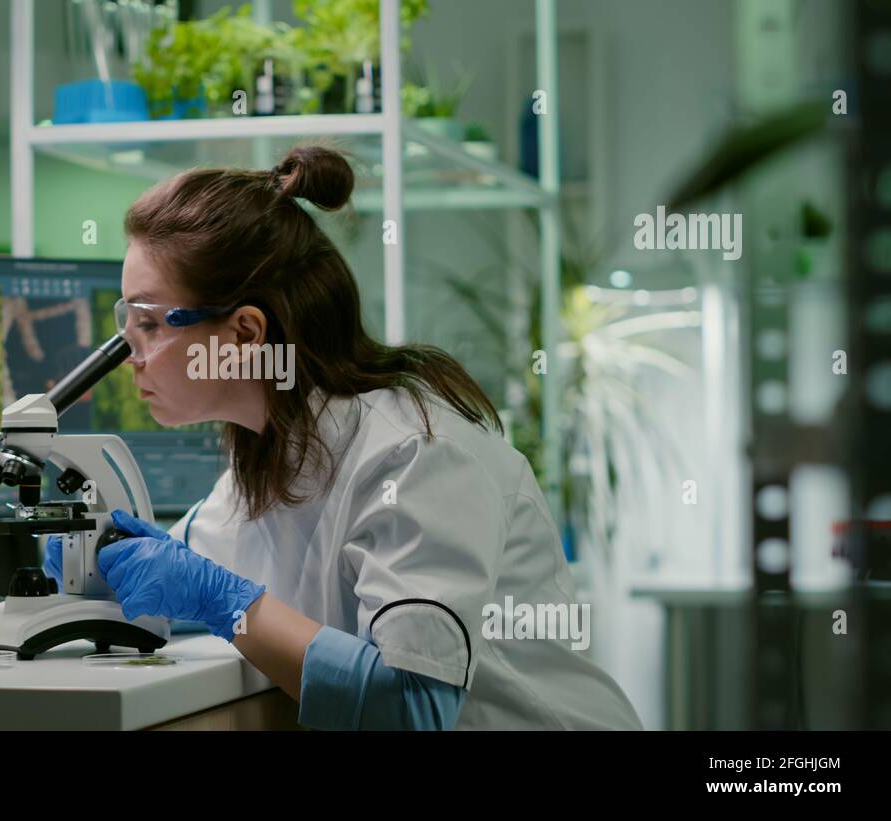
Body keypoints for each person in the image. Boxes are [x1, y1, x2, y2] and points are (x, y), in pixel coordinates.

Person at [45, 145, 643, 731]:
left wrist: (224, 603)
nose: (131, 356)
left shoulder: (415, 454)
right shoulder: (265, 456)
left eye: (148, 323)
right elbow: (186, 576)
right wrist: (99, 564)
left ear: (246, 333)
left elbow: (411, 706)